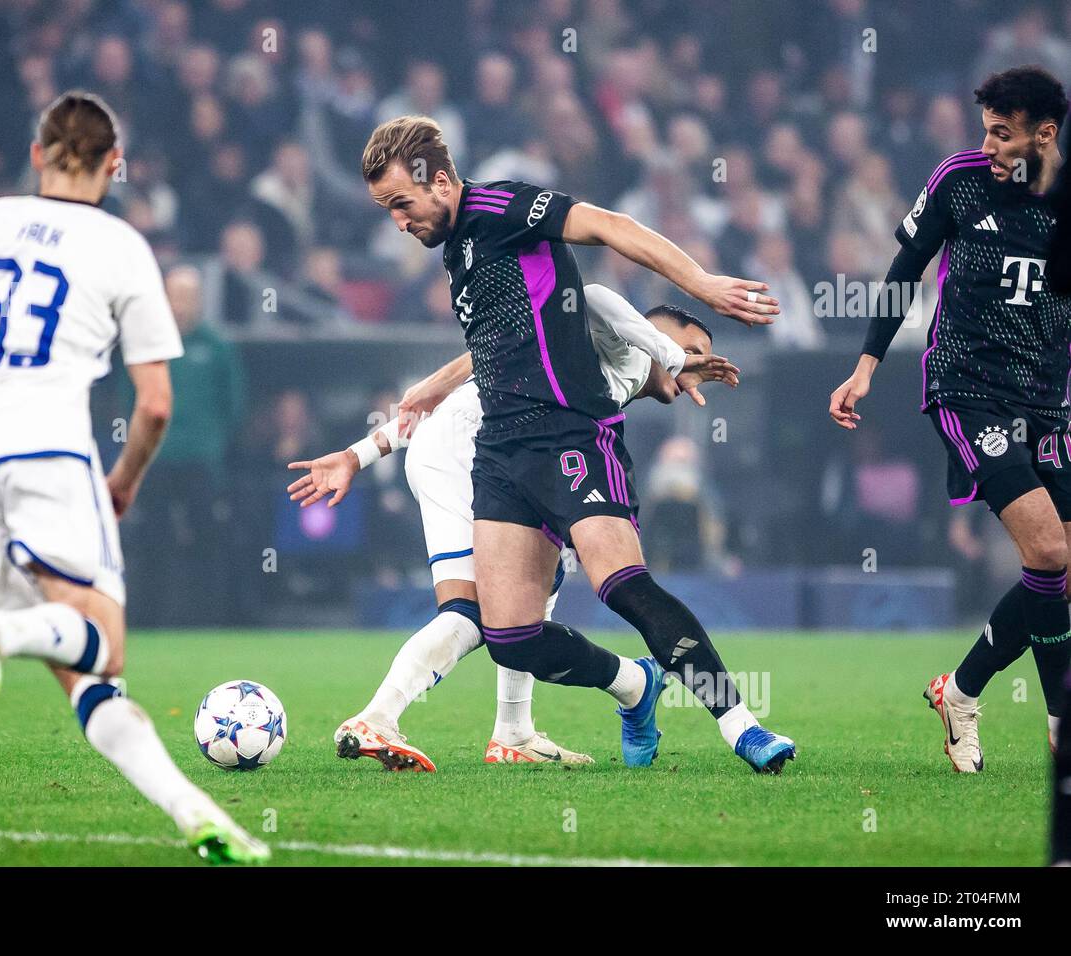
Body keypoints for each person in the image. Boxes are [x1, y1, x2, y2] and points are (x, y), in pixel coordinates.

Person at [0, 90, 268, 863]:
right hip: (48, 451)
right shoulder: (120, 247)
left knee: (83, 671)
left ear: (36, 156)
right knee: (105, 644)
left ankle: (198, 816)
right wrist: (122, 481)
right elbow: (153, 404)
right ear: (115, 166)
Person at [355, 115, 795, 773]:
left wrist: (700, 286)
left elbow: (612, 228)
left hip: (571, 434)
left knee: (621, 583)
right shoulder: (456, 248)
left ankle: (741, 725)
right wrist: (431, 387)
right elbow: (497, 343)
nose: (398, 220)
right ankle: (639, 688)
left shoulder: (501, 206)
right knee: (508, 636)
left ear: (440, 180)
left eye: (401, 203)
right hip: (500, 454)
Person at [289, 284, 736, 770]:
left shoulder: (584, 365)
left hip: (445, 449)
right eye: (691, 350)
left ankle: (516, 730)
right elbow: (590, 295)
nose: (697, 366)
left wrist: (360, 453)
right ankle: (381, 716)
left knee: (495, 604)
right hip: (479, 455)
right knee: (492, 607)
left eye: (704, 359)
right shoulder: (612, 349)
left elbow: (468, 390)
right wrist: (671, 356)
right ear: (646, 333)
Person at [830, 66, 1071, 774]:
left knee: (1056, 570)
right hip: (968, 388)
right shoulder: (959, 180)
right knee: (1050, 554)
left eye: (1003, 133)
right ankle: (1061, 719)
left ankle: (960, 691)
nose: (988, 144)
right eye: (986, 129)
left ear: (1045, 135)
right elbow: (906, 268)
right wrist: (867, 365)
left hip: (1047, 398)